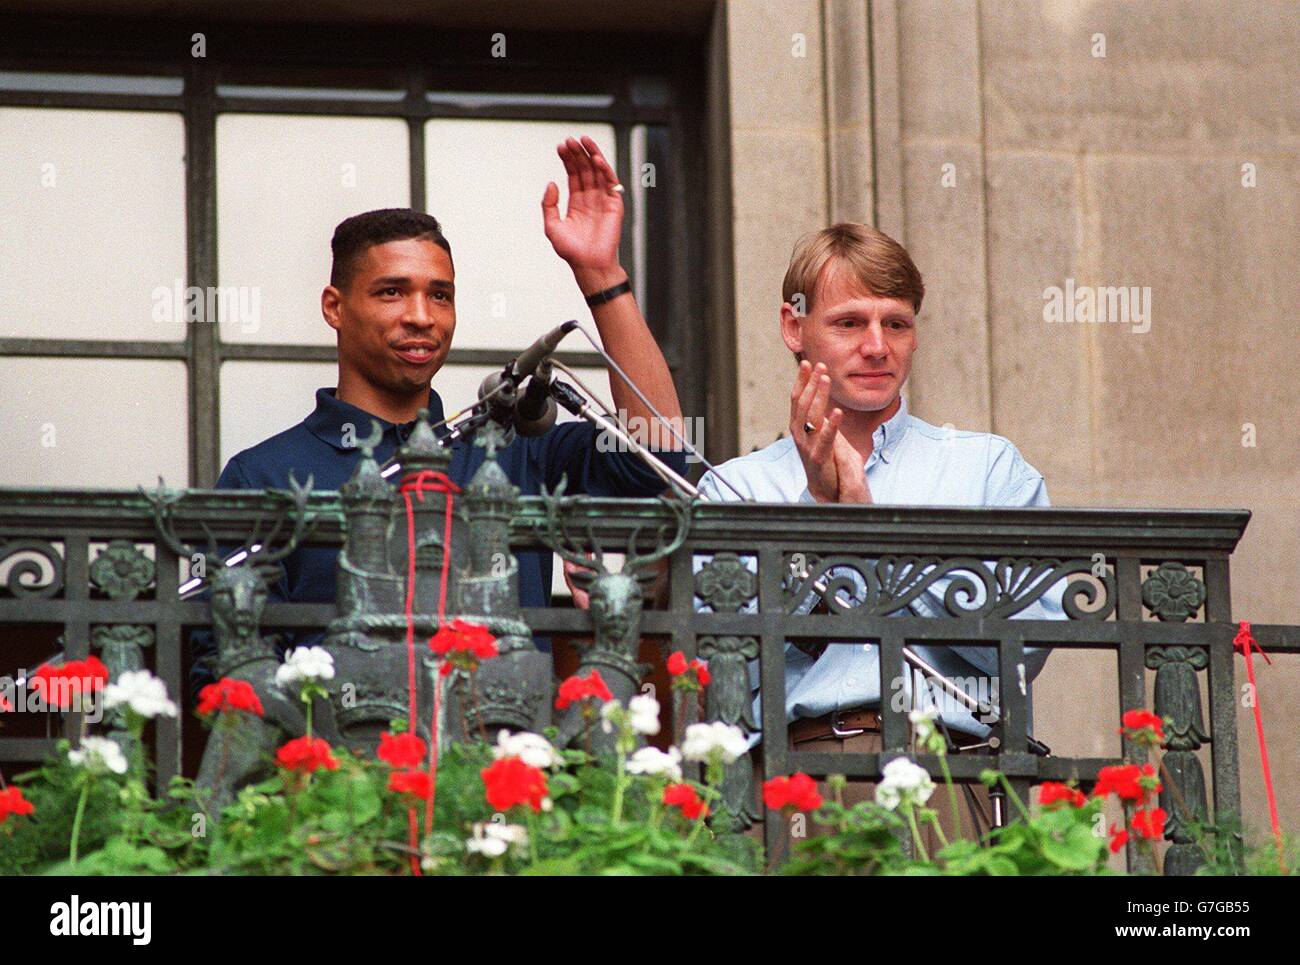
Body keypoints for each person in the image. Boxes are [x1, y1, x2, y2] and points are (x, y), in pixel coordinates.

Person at [189, 135, 685, 698]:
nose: (421, 316)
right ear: (335, 307)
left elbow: (660, 455)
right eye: (392, 292)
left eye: (441, 295)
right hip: (341, 773)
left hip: (502, 769)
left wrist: (601, 274)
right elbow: (225, 661)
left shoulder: (512, 447)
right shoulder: (264, 474)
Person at [696, 223, 1063, 848]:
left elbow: (1026, 649)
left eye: (896, 323)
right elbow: (720, 670)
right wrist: (820, 522)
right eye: (849, 323)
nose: (877, 346)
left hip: (949, 772)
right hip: (794, 780)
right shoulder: (735, 488)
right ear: (794, 327)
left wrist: (870, 531)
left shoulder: (988, 467)